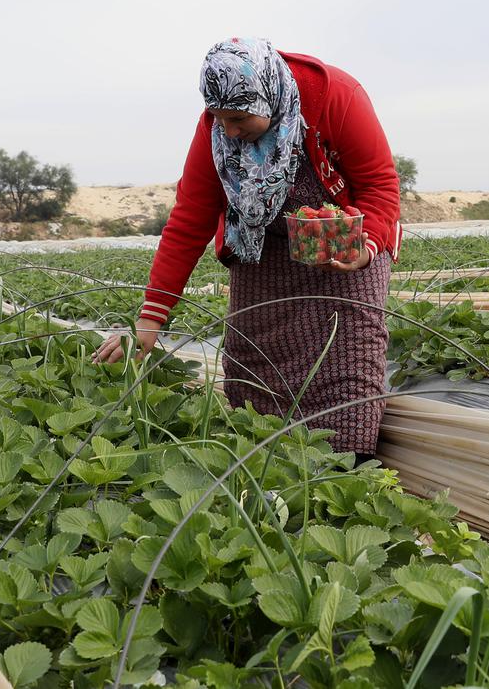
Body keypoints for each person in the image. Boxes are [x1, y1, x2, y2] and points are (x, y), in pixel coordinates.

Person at [94, 37, 401, 459]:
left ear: (268, 98)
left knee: (348, 356)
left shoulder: (334, 97)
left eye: (239, 119)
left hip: (344, 239)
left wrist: (363, 248)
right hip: (261, 248)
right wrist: (150, 320)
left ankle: (348, 470)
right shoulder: (214, 130)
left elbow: (380, 186)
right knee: (255, 361)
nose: (231, 131)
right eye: (221, 120)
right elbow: (188, 223)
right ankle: (265, 467)